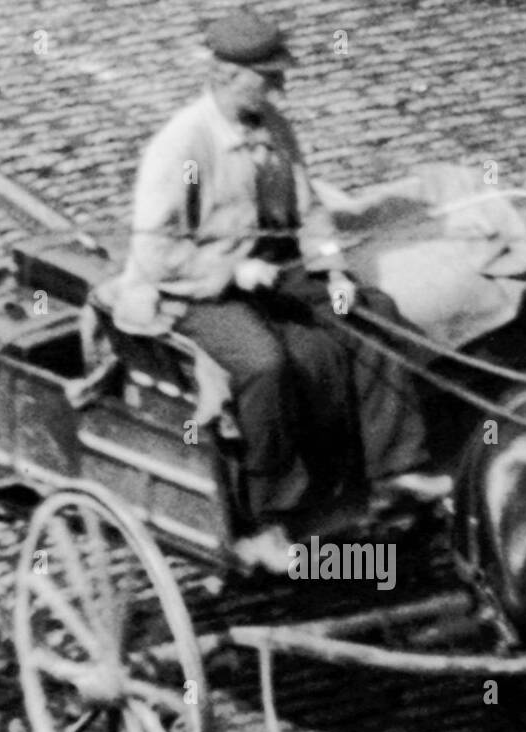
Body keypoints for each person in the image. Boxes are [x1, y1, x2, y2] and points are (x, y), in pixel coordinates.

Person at [98, 7, 451, 572]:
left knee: (371, 313)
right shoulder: (181, 148)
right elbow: (155, 252)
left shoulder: (274, 128)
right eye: (267, 78)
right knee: (265, 365)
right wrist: (234, 274)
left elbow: (310, 210)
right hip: (193, 292)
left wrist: (333, 271)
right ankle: (266, 519)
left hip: (273, 272)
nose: (277, 89)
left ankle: (395, 468)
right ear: (224, 76)